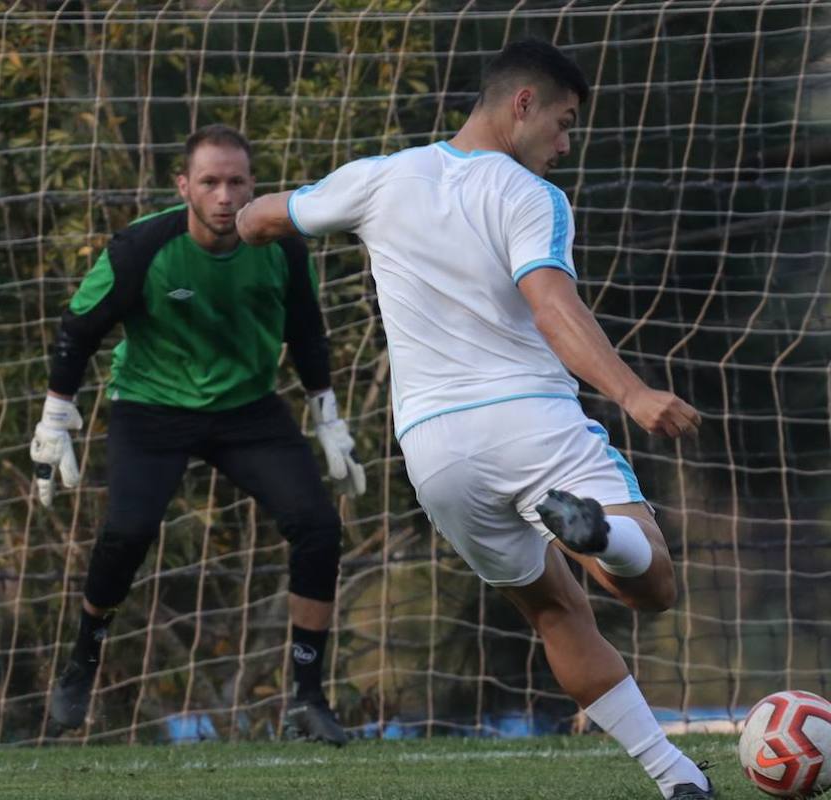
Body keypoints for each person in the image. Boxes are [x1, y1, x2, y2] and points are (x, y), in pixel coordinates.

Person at [236, 39, 712, 799]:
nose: (563, 144)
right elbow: (553, 306)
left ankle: (676, 778)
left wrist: (242, 212)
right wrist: (632, 394)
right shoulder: (527, 196)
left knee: (556, 611)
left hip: (434, 452)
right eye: (562, 123)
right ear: (522, 104)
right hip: (528, 420)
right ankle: (594, 529)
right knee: (650, 584)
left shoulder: (380, 178)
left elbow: (263, 217)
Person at [32, 124, 365, 746]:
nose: (224, 196)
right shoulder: (140, 249)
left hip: (248, 410)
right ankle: (82, 661)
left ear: (252, 186)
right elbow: (78, 330)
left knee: (318, 527)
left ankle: (308, 697)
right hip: (151, 407)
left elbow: (307, 329)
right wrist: (56, 418)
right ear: (183, 185)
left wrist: (328, 415)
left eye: (237, 182)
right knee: (127, 533)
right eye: (209, 182)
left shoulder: (282, 246)